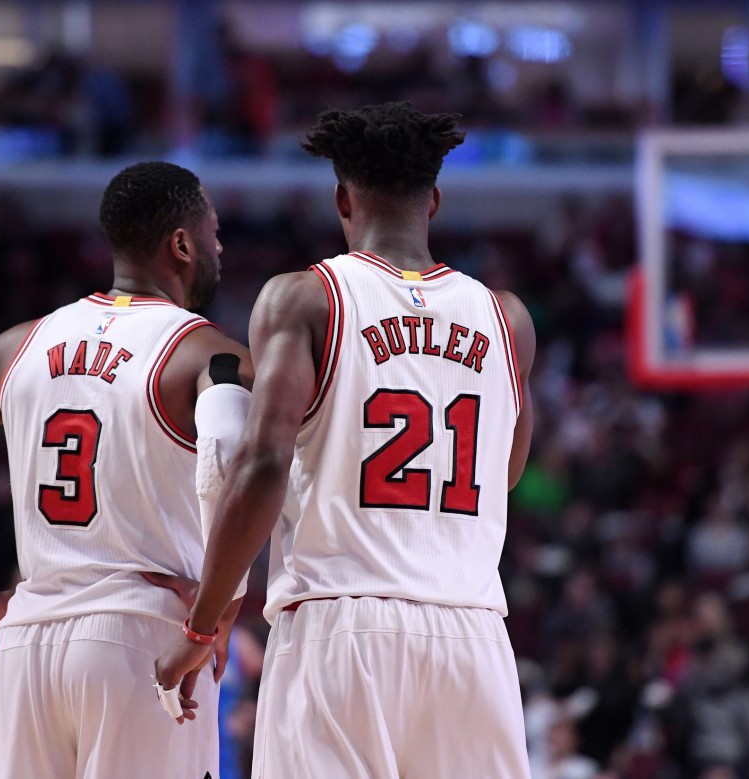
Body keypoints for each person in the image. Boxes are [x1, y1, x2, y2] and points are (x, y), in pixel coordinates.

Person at [155, 102, 537, 778]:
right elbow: (503, 471)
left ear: (341, 198)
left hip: (342, 623)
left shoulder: (307, 298)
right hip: (473, 633)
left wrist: (202, 622)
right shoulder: (506, 319)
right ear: (435, 200)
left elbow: (264, 462)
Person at [0, 161, 254, 778]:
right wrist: (218, 609)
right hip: (141, 637)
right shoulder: (207, 350)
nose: (219, 245)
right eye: (214, 230)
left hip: (26, 643)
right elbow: (227, 461)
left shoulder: (20, 342)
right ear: (182, 243)